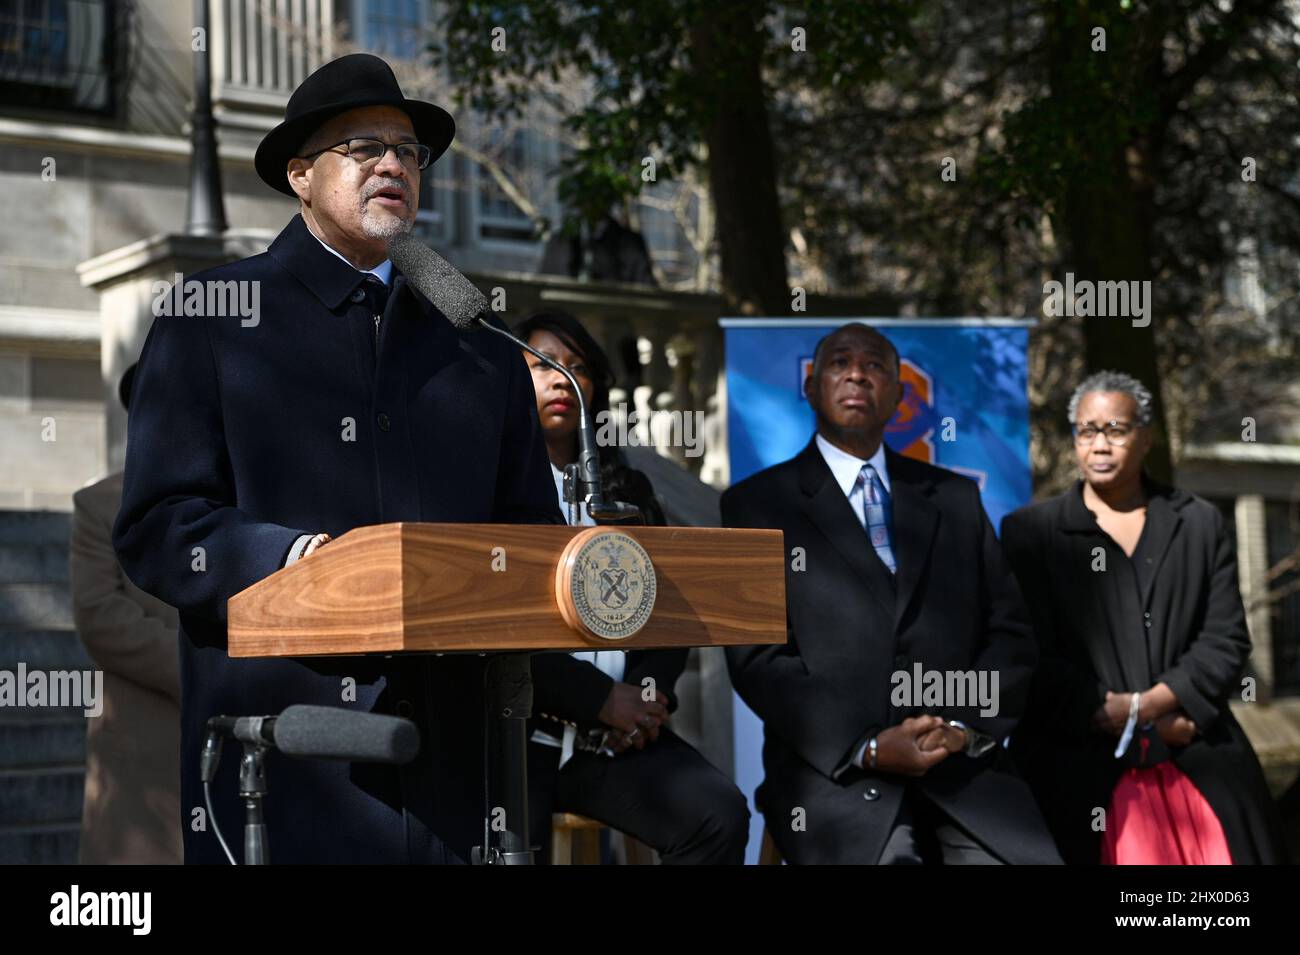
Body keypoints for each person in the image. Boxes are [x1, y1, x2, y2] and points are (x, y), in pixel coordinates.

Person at [112, 54, 562, 864]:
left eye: (408, 151)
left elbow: (531, 534)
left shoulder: (481, 351)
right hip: (281, 764)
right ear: (300, 176)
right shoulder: (209, 318)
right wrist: (293, 559)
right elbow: (157, 525)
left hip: (456, 778)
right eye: (362, 147)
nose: (393, 163)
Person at [722, 322, 1060, 864]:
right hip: (836, 776)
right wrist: (869, 744)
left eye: (876, 364)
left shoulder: (953, 498)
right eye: (840, 362)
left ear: (901, 397)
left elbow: (1011, 633)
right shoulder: (756, 506)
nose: (858, 372)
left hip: (961, 768)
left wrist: (957, 726)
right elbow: (758, 660)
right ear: (810, 387)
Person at [1001, 370, 1286, 864]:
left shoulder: (1197, 523)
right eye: (1087, 431)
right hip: (1074, 757)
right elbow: (1023, 648)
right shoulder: (1031, 533)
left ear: (1147, 437)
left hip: (1191, 740)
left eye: (1117, 429)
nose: (1100, 444)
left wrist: (1154, 705)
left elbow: (1225, 638)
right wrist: (1104, 710)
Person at [515, 310, 749, 864]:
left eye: (575, 367)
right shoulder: (489, 485)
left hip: (615, 740)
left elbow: (669, 609)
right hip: (519, 739)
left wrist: (644, 701)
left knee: (718, 814)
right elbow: (487, 635)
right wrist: (599, 701)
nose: (559, 378)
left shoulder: (630, 487)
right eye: (540, 364)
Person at [71, 364, 182, 864]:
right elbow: (99, 616)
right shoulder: (100, 505)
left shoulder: (242, 503)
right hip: (143, 751)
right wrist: (201, 667)